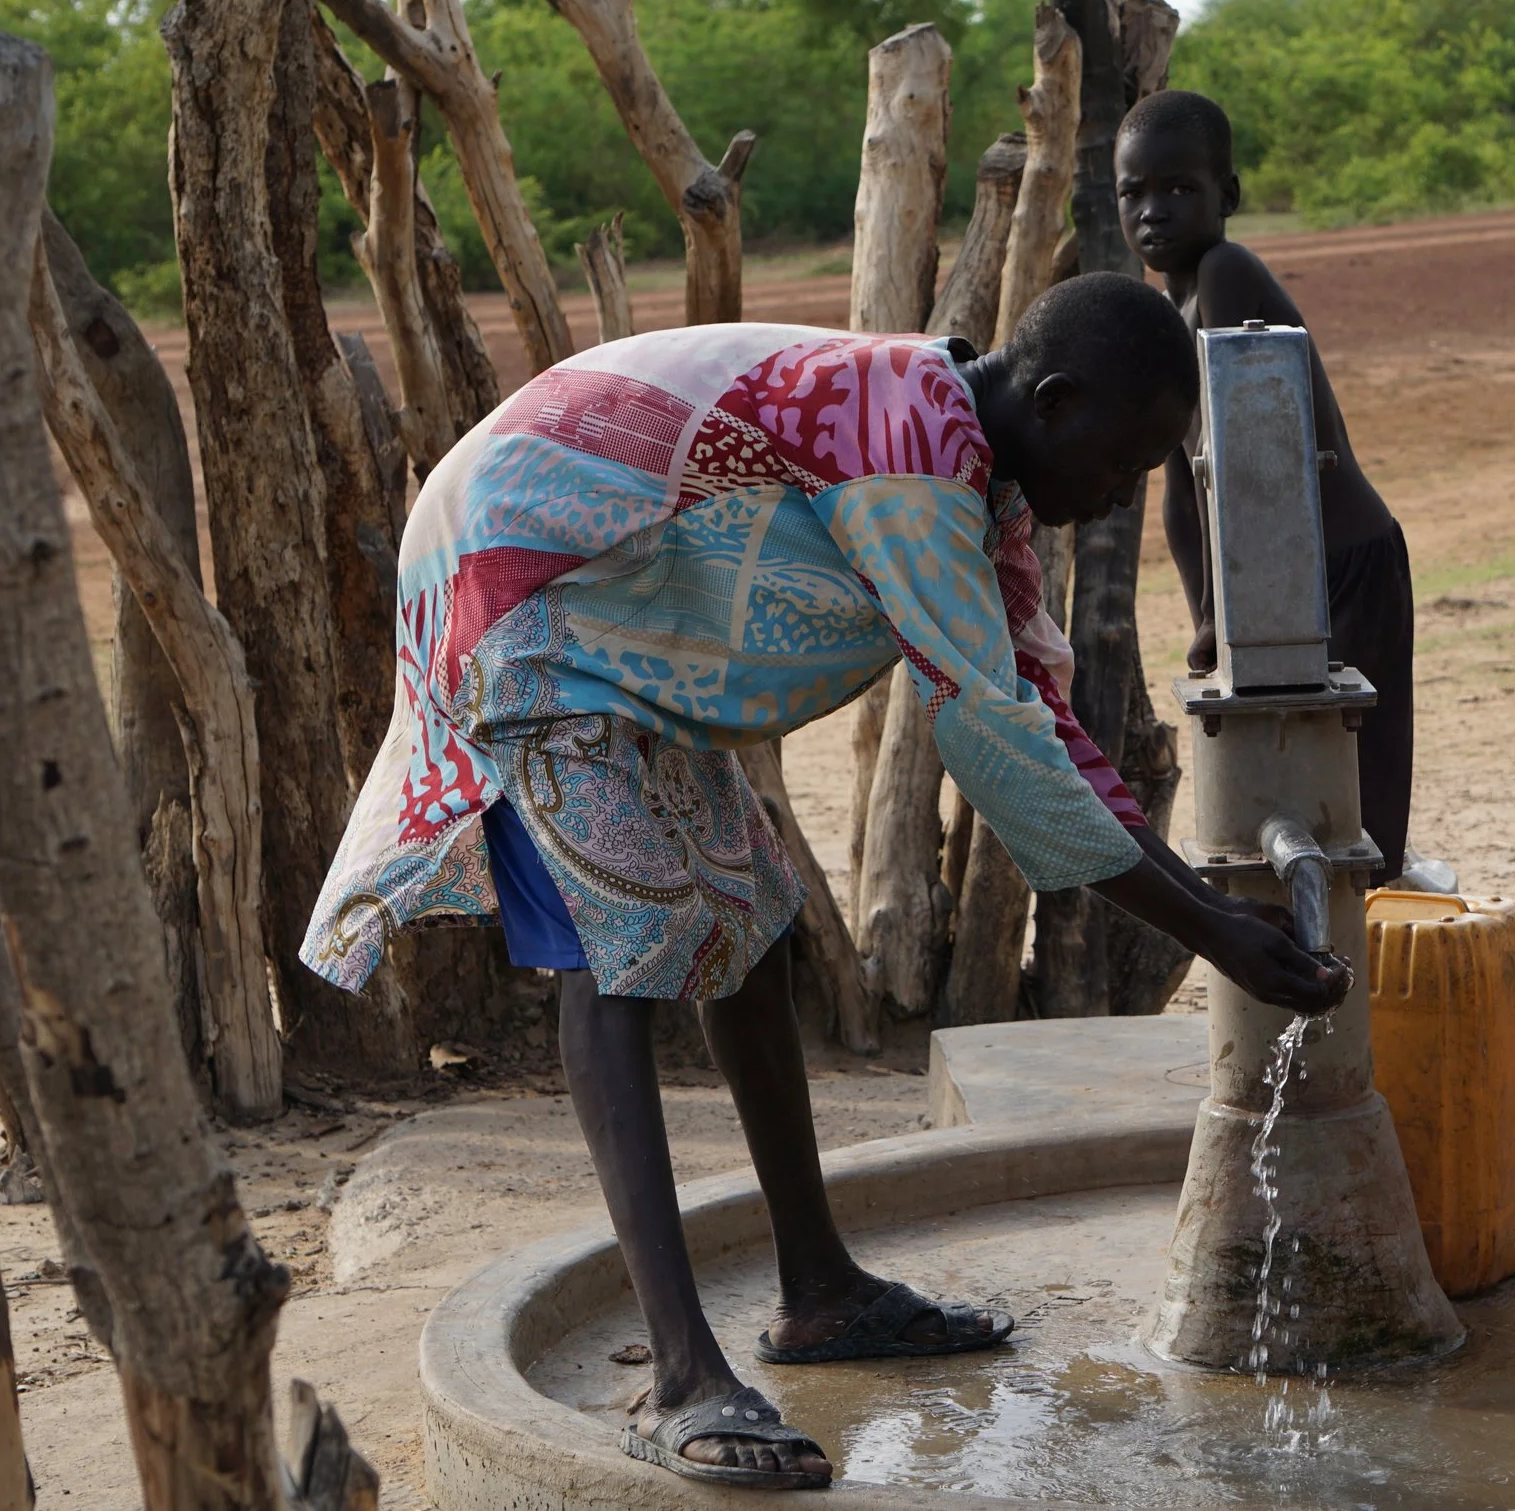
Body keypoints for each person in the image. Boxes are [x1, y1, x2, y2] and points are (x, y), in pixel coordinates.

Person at [298, 273, 1349, 1487]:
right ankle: (685, 1373)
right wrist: (1217, 932)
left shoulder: (972, 473)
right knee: (621, 947)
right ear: (1055, 403)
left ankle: (818, 1290)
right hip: (522, 588)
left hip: (613, 615)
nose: (1118, 499)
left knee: (750, 917)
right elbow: (1001, 750)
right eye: (1123, 463)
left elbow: (1038, 720)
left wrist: (1217, 913)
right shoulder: (909, 457)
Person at [1114, 89, 1425, 887]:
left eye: (1180, 189)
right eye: (1134, 193)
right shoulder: (1163, 307)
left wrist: (1227, 610)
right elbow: (1187, 490)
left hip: (1346, 556)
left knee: (1360, 773)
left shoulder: (1226, 272)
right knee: (1286, 762)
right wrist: (1208, 621)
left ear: (1229, 197)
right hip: (1271, 572)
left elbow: (1234, 461)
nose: (1154, 211)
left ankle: (1370, 918)